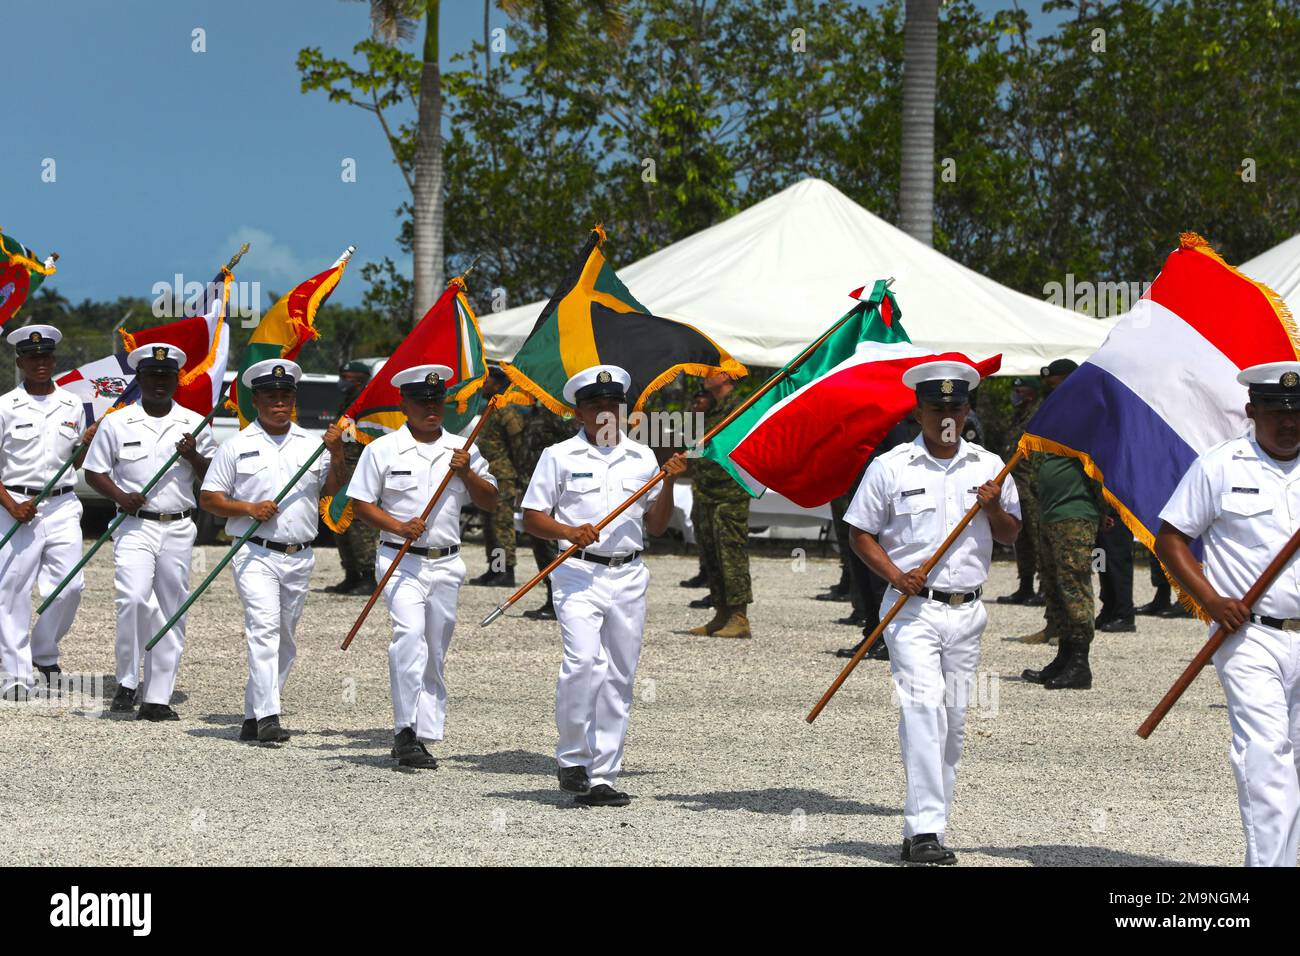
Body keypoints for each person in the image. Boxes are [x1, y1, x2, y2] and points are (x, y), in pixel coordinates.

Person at [844, 361, 1021, 865]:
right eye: (936, 408)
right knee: (923, 709)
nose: (947, 416)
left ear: (967, 411)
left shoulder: (990, 466)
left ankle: (925, 826)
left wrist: (991, 508)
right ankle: (925, 832)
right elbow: (860, 532)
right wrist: (895, 576)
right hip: (911, 610)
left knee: (954, 722)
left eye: (955, 407)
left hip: (967, 611)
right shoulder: (892, 466)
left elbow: (1011, 533)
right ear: (919, 412)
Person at [1155, 361, 1300, 867]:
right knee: (1266, 755)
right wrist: (1210, 599)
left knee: (1296, 760)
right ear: (1251, 410)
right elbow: (1171, 536)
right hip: (1249, 636)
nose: (1288, 422)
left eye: (1297, 412)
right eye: (1277, 412)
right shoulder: (1220, 465)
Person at [522, 365, 687, 807]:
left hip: (630, 574)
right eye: (596, 407)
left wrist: (668, 480)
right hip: (577, 571)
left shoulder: (643, 458)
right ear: (579, 414)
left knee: (619, 674)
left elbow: (655, 524)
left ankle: (602, 776)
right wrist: (569, 529)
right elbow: (532, 518)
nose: (606, 413)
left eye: (613, 405)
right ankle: (572, 758)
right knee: (582, 662)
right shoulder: (559, 456)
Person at [348, 364, 498, 769]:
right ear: (404, 404)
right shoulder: (382, 449)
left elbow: (490, 501)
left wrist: (467, 472)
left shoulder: (464, 447)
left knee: (435, 647)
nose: (430, 408)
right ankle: (404, 731)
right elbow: (360, 504)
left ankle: (425, 730)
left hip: (447, 563)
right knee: (409, 636)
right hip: (400, 560)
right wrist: (398, 525)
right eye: (421, 402)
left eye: (436, 401)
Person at [199, 359, 346, 744]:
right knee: (263, 630)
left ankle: (253, 714)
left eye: (285, 396)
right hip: (254, 552)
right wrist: (248, 509)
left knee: (286, 639)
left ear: (293, 400)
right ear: (257, 401)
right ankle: (268, 716)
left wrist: (338, 452)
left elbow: (333, 491)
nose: (278, 403)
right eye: (270, 397)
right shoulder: (237, 446)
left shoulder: (313, 444)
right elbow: (210, 498)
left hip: (300, 554)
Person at [83, 344, 216, 720]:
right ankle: (127, 680)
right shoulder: (117, 421)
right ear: (139, 379)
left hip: (177, 526)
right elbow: (95, 471)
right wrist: (120, 496)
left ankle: (158, 696)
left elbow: (212, 479)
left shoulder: (195, 422)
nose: (160, 383)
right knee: (133, 600)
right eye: (152, 377)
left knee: (172, 609)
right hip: (134, 525)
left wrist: (193, 456)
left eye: (167, 377)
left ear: (177, 380)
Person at [0, 325, 93, 700]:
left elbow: (77, 460)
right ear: (20, 362)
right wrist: (10, 504)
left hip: (62, 504)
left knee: (71, 586)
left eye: (46, 357)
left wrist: (86, 444)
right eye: (32, 358)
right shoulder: (5, 406)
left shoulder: (71, 404)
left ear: (53, 360)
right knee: (12, 592)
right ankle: (17, 675)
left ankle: (43, 650)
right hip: (15, 507)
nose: (40, 363)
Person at [1019, 359, 1103, 691]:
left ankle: (1080, 663)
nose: (1052, 392)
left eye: (1057, 386)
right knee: (1053, 585)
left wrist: (1104, 507)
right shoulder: (1050, 417)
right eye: (1049, 387)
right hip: (1048, 514)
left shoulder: (1085, 418)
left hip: (1074, 514)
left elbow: (1098, 466)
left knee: (1074, 585)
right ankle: (1064, 655)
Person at [687, 371, 753, 639]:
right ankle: (721, 612)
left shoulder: (741, 407)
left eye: (711, 372)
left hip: (729, 493)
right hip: (705, 491)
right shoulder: (707, 410)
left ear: (726, 377)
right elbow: (695, 447)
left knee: (730, 552)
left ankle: (739, 617)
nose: (704, 376)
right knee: (710, 552)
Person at [517, 401, 577, 620]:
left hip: (555, 491)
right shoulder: (534, 410)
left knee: (550, 545)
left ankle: (557, 599)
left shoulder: (561, 411)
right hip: (533, 485)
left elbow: (570, 440)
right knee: (539, 543)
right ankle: (552, 597)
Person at [325, 360, 378, 595]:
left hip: (360, 470)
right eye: (342, 376)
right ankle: (351, 574)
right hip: (341, 468)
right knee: (339, 518)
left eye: (347, 377)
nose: (343, 381)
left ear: (360, 380)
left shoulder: (368, 407)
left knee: (359, 523)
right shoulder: (348, 404)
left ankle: (368, 576)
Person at [471, 365, 525, 589]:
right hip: (488, 475)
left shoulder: (507, 410)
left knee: (502, 525)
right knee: (490, 526)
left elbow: (518, 445)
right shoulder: (491, 408)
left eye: (487, 381)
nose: (483, 385)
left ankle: (506, 571)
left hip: (503, 476)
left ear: (498, 383)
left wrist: (520, 474)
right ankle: (495, 569)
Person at [996, 376, 1044, 605]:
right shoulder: (1017, 417)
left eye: (1020, 390)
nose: (1015, 394)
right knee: (1022, 541)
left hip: (1033, 488)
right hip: (1016, 487)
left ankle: (1045, 587)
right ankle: (1026, 586)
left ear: (1031, 393)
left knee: (1038, 539)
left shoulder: (1039, 417)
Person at [681, 388, 714, 590]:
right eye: (693, 403)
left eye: (699, 403)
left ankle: (713, 576)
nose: (695, 406)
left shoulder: (718, 424)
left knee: (713, 534)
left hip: (715, 487)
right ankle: (704, 571)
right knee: (700, 531)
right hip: (700, 485)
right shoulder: (695, 426)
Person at [1095, 508, 1136, 632]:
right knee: (1101, 564)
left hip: (1116, 514)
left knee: (1118, 565)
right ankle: (1109, 607)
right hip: (1100, 513)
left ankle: (1124, 614)